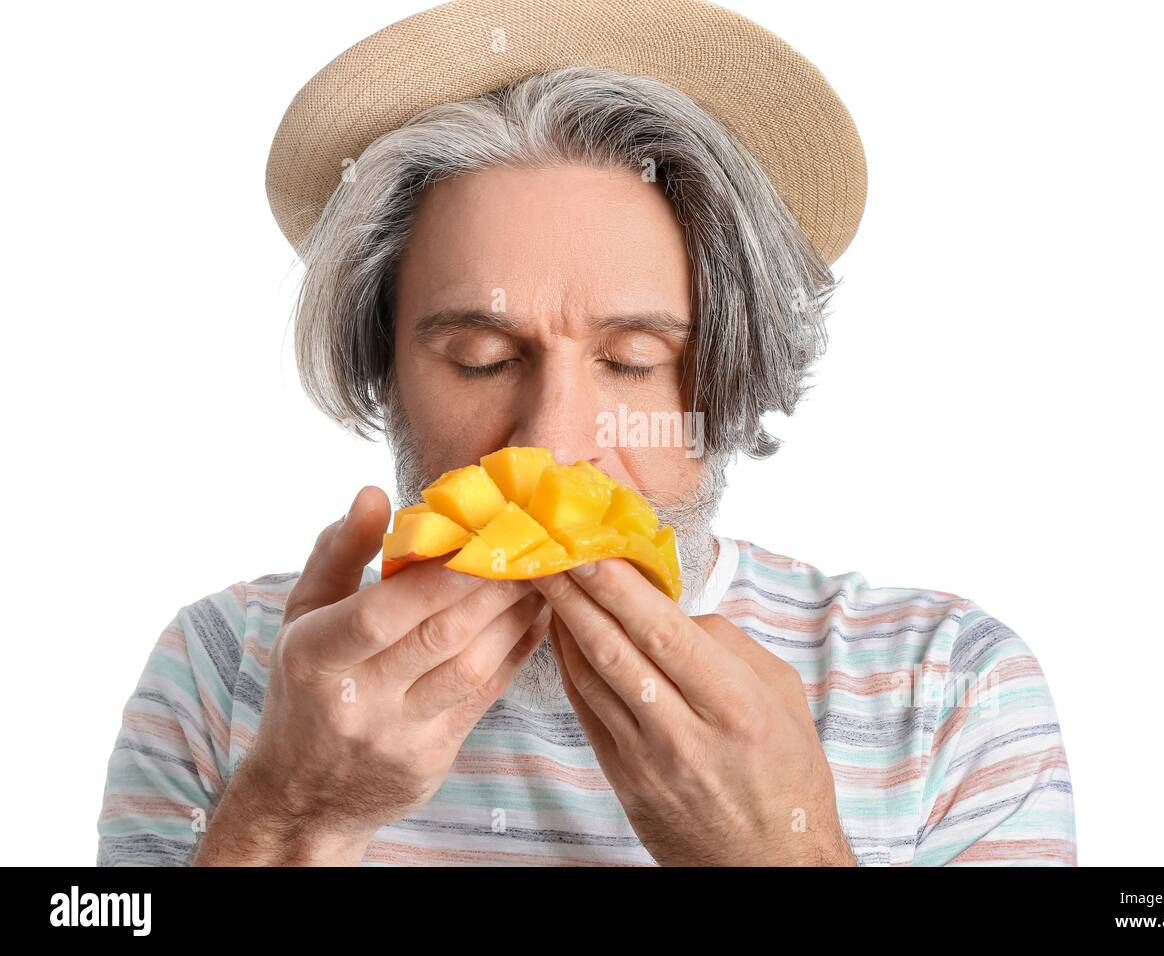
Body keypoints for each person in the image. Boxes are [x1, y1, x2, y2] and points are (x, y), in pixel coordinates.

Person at [97, 0, 1075, 866]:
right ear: (383, 370)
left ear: (730, 380)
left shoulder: (949, 688)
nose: (554, 442)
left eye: (632, 359)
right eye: (481, 356)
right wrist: (284, 822)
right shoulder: (224, 669)